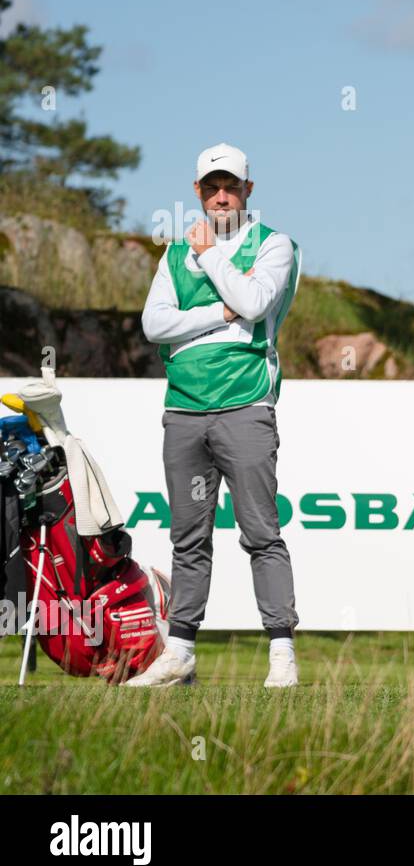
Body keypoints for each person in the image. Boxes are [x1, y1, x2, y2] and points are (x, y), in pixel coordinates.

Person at [130, 142, 302, 688]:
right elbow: (155, 325)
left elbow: (253, 304)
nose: (221, 195)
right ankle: (179, 652)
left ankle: (281, 653)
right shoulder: (172, 255)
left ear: (249, 190)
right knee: (188, 536)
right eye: (211, 187)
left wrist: (209, 258)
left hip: (245, 406)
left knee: (260, 532)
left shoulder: (274, 245)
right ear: (198, 192)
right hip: (183, 410)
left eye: (230, 186)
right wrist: (214, 312)